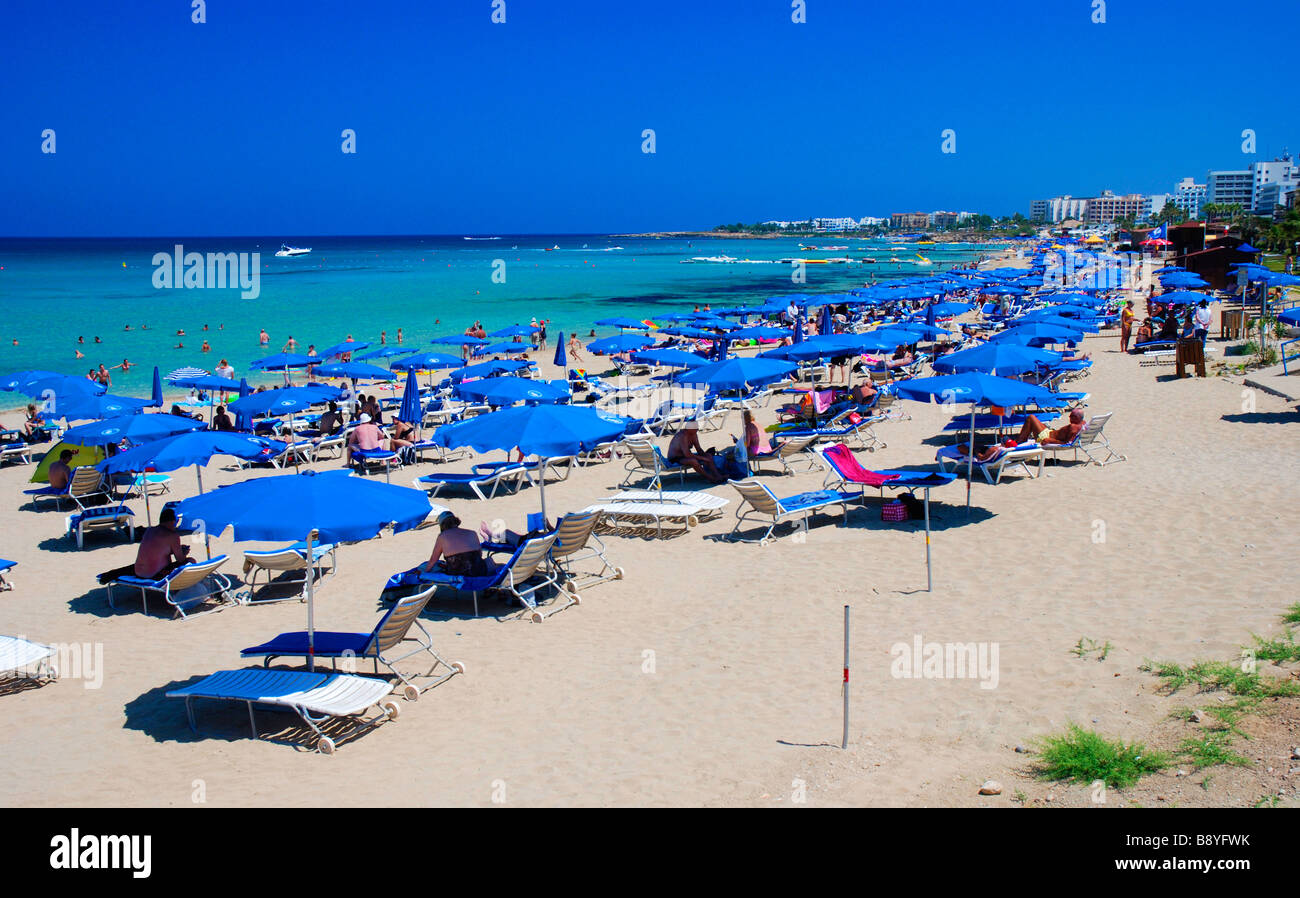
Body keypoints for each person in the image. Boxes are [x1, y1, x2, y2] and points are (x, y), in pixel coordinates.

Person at [97, 508, 192, 585]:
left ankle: (107, 576)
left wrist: (174, 550)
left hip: (138, 571)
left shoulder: (149, 531)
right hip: (154, 575)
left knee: (127, 569)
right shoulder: (172, 535)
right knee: (190, 561)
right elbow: (180, 560)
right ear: (172, 521)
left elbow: (158, 551)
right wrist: (184, 552)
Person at [421, 510, 492, 576]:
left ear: (442, 525)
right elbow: (480, 554)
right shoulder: (472, 533)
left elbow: (433, 560)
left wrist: (425, 573)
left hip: (457, 574)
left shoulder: (442, 537)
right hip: (479, 571)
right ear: (456, 521)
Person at [1014, 408, 1085, 446]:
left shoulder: (1073, 427)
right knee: (1034, 421)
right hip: (1049, 432)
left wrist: (1050, 440)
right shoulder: (1083, 423)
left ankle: (1020, 442)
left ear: (1076, 417)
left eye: (1071, 416)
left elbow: (1066, 443)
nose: (1069, 418)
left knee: (1031, 418)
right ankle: (1021, 440)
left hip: (1045, 437)